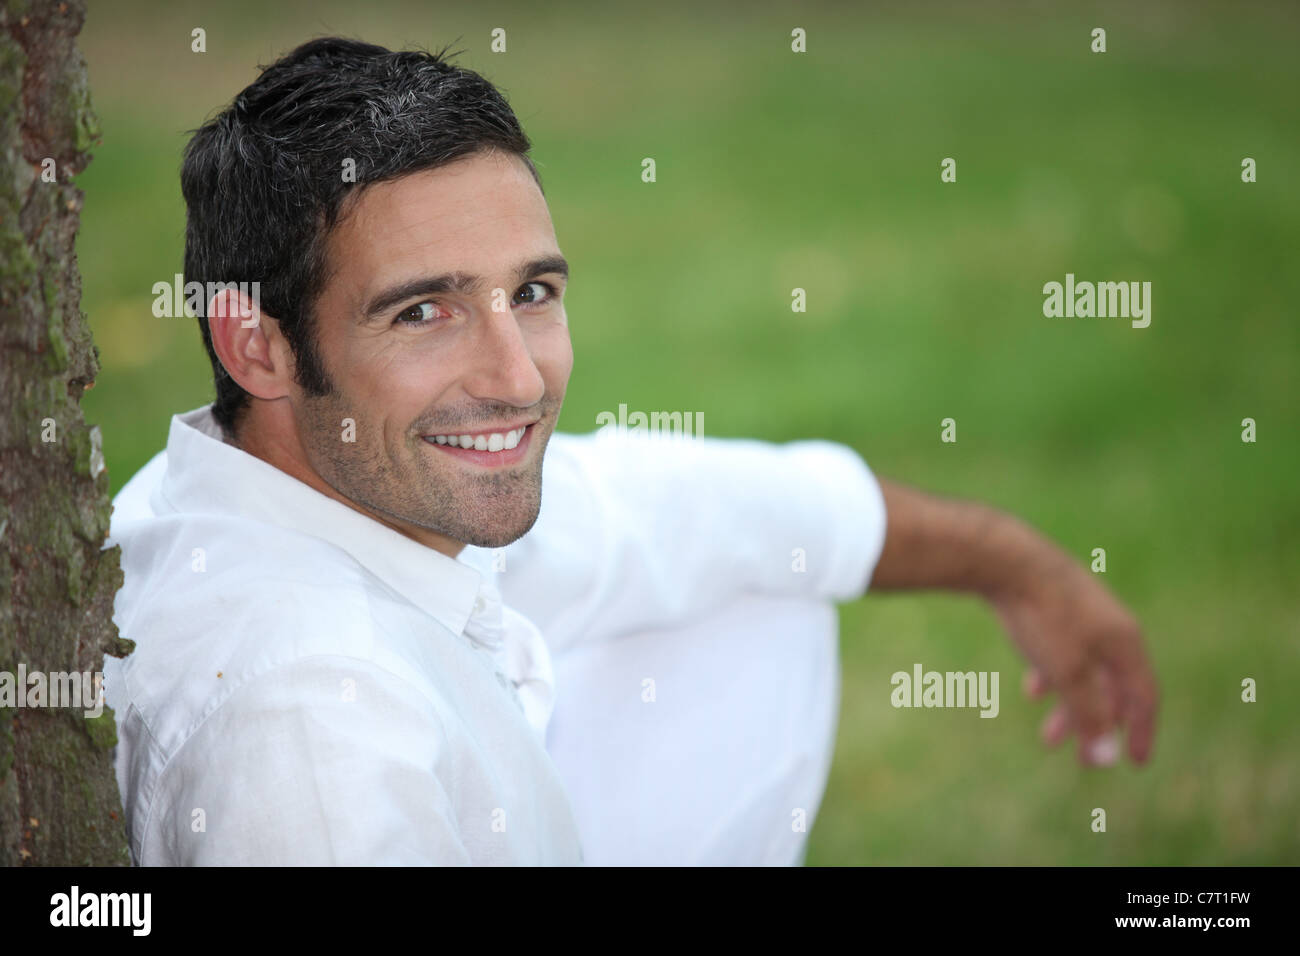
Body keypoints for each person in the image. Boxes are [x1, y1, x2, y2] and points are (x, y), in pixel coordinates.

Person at [103, 37, 1158, 866]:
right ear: (260, 343)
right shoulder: (316, 724)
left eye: (531, 293)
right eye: (423, 311)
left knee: (748, 581)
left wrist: (1013, 561)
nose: (518, 376)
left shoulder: (274, 481)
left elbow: (684, 508)